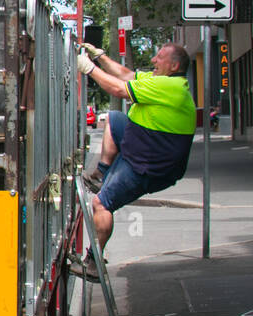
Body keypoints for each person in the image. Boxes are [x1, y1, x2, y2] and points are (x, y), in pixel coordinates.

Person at [73, 41, 196, 279]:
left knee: (101, 204)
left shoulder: (171, 88)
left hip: (147, 165)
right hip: (138, 149)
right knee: (115, 118)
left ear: (174, 65)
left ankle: (94, 262)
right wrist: (100, 57)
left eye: (159, 57)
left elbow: (119, 89)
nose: (153, 61)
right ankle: (102, 172)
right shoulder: (163, 81)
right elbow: (127, 75)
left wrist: (89, 69)